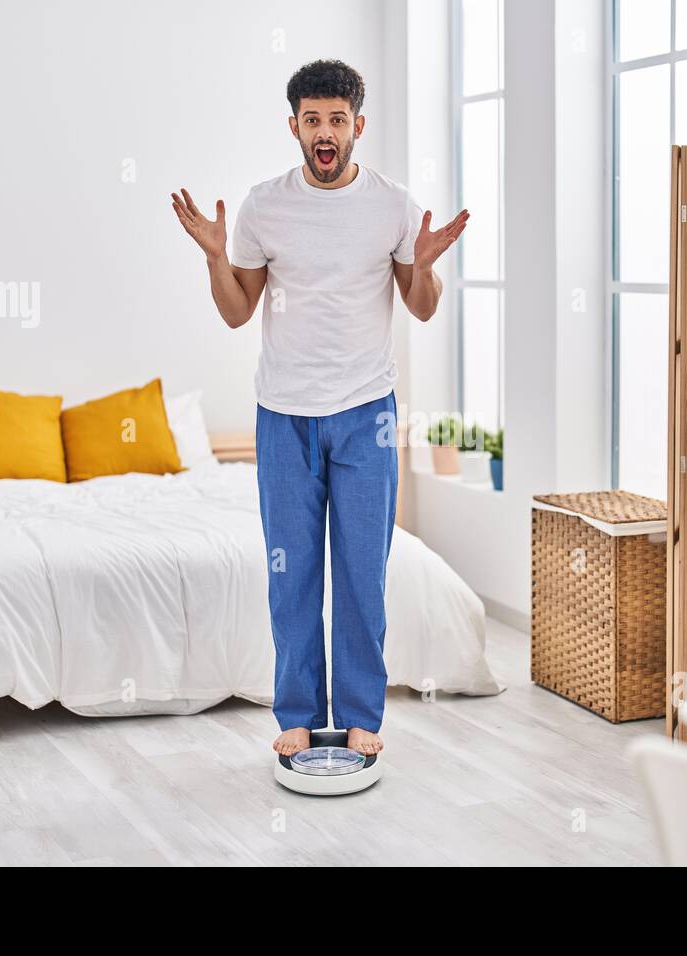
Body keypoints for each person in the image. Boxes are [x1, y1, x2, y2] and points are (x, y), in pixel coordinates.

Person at [171, 59, 467, 758]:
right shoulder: (262, 206)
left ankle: (363, 714)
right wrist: (216, 258)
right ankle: (297, 715)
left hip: (367, 413)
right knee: (291, 574)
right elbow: (238, 312)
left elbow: (420, 309)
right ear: (295, 127)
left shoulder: (392, 205)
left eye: (338, 120)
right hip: (284, 417)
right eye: (313, 120)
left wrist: (422, 268)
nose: (325, 132)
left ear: (358, 126)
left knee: (363, 573)